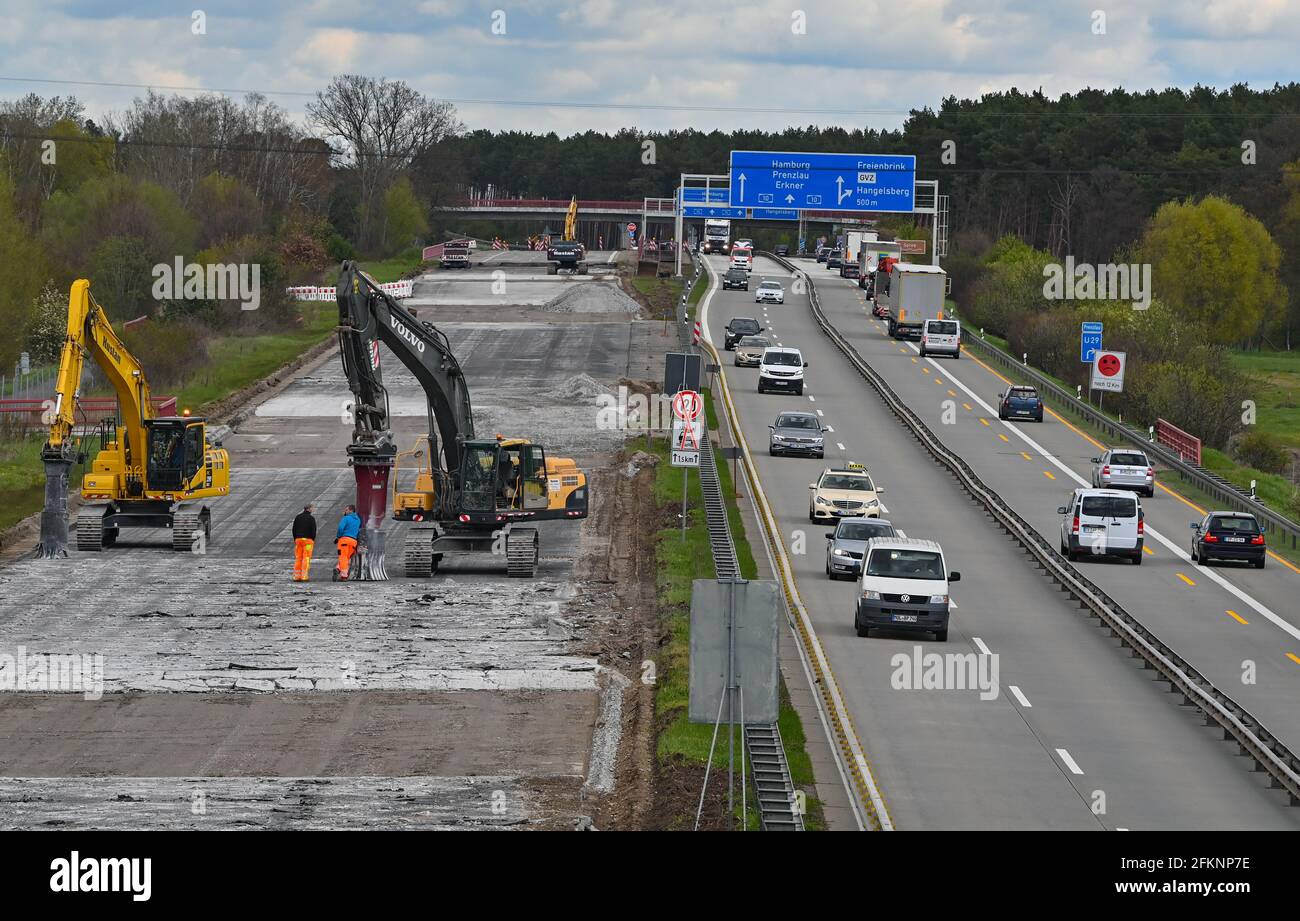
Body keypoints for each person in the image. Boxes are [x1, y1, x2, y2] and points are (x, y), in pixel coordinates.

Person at [333, 504, 361, 581]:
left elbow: (340, 528)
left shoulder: (346, 518)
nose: (345, 511)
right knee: (347, 558)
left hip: (344, 540)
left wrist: (338, 536)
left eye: (346, 510)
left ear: (351, 510)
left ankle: (344, 576)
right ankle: (338, 568)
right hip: (353, 542)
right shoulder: (358, 520)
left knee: (343, 557)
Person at [292, 503, 317, 581]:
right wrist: (312, 539)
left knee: (298, 557)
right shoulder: (311, 518)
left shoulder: (298, 517)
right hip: (308, 541)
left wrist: (295, 538)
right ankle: (304, 576)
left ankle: (297, 576)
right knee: (306, 557)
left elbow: (294, 529)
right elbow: (313, 530)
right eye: (312, 508)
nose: (313, 510)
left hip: (298, 540)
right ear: (308, 509)